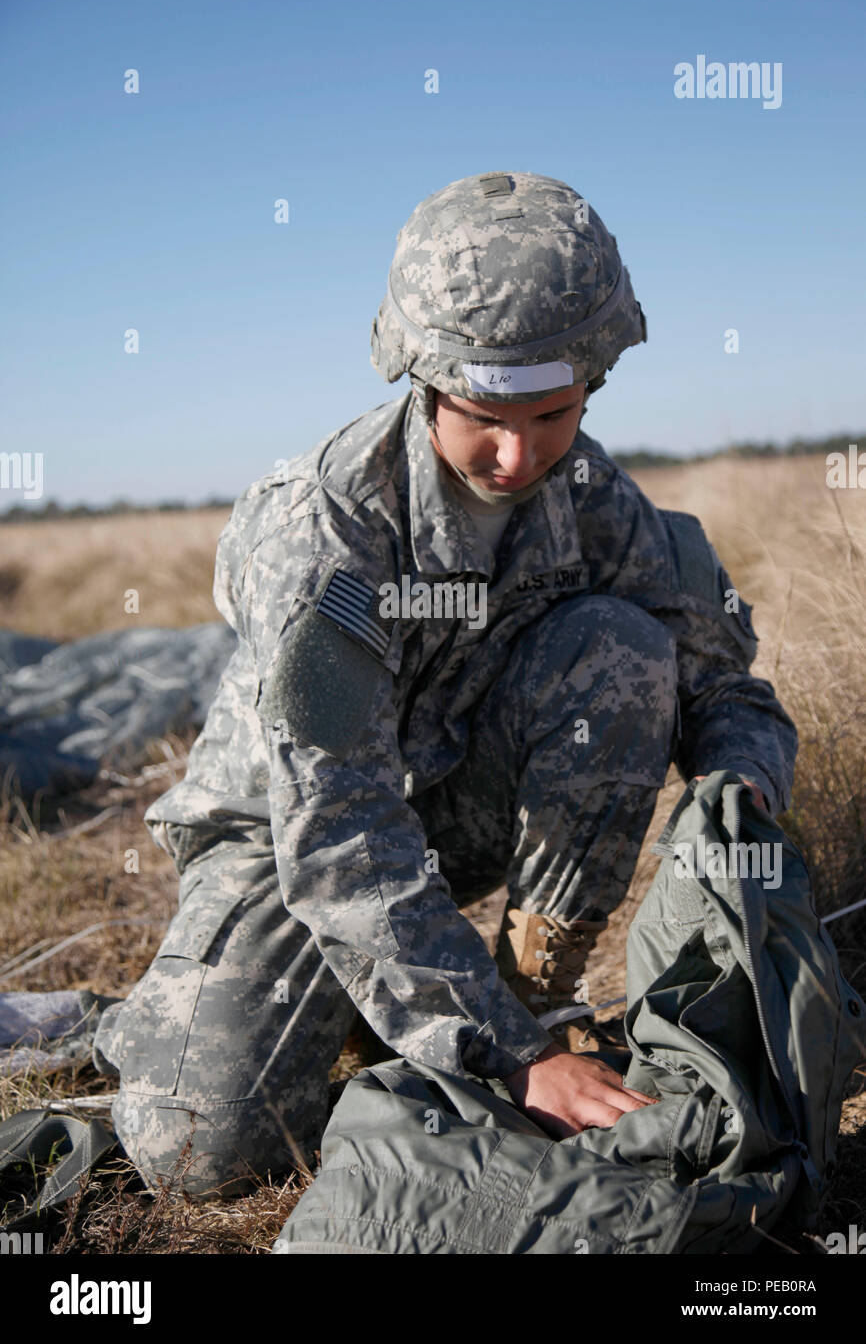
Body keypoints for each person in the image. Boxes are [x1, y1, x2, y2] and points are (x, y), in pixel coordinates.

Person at [93, 170, 797, 1197]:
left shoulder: (595, 496)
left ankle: (536, 992)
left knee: (622, 645)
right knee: (195, 1154)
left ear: (593, 382)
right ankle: (167, 1013)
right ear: (421, 379)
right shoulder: (325, 532)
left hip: (449, 810)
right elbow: (335, 831)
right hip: (286, 842)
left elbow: (717, 682)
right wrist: (502, 1057)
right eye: (482, 414)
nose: (517, 455)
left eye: (552, 414)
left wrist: (742, 786)